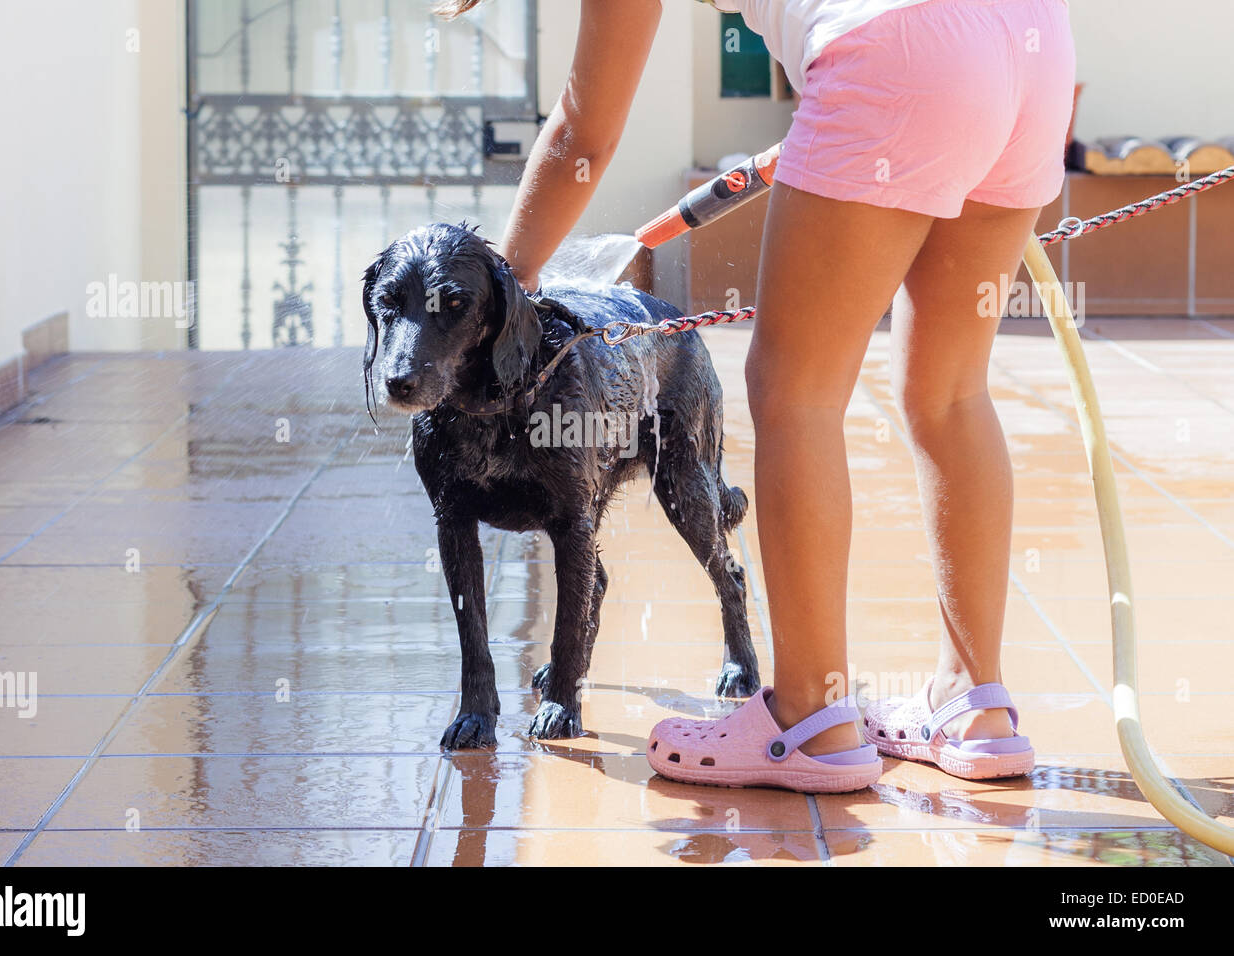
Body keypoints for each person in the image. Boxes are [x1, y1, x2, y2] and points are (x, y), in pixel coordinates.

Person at [438, 0, 1076, 791]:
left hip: (900, 50)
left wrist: (506, 287)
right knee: (947, 394)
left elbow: (582, 133)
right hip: (1030, 47)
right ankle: (973, 706)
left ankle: (811, 718)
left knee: (794, 393)